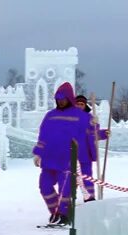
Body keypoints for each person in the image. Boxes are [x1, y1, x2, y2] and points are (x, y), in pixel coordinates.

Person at [32, 82, 96, 226]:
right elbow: (43, 136)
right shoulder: (50, 115)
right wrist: (38, 153)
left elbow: (91, 135)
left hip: (67, 160)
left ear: (69, 98)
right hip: (49, 159)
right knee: (44, 186)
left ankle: (64, 214)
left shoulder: (81, 116)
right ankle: (56, 212)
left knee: (64, 190)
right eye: (58, 98)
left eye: (63, 98)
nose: (60, 101)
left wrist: (95, 126)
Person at [74, 94, 110, 200]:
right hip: (71, 153)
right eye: (77, 104)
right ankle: (68, 198)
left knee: (87, 177)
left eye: (82, 104)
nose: (79, 106)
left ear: (85, 105)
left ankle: (90, 197)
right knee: (70, 178)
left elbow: (94, 135)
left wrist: (104, 133)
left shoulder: (90, 118)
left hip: (85, 153)